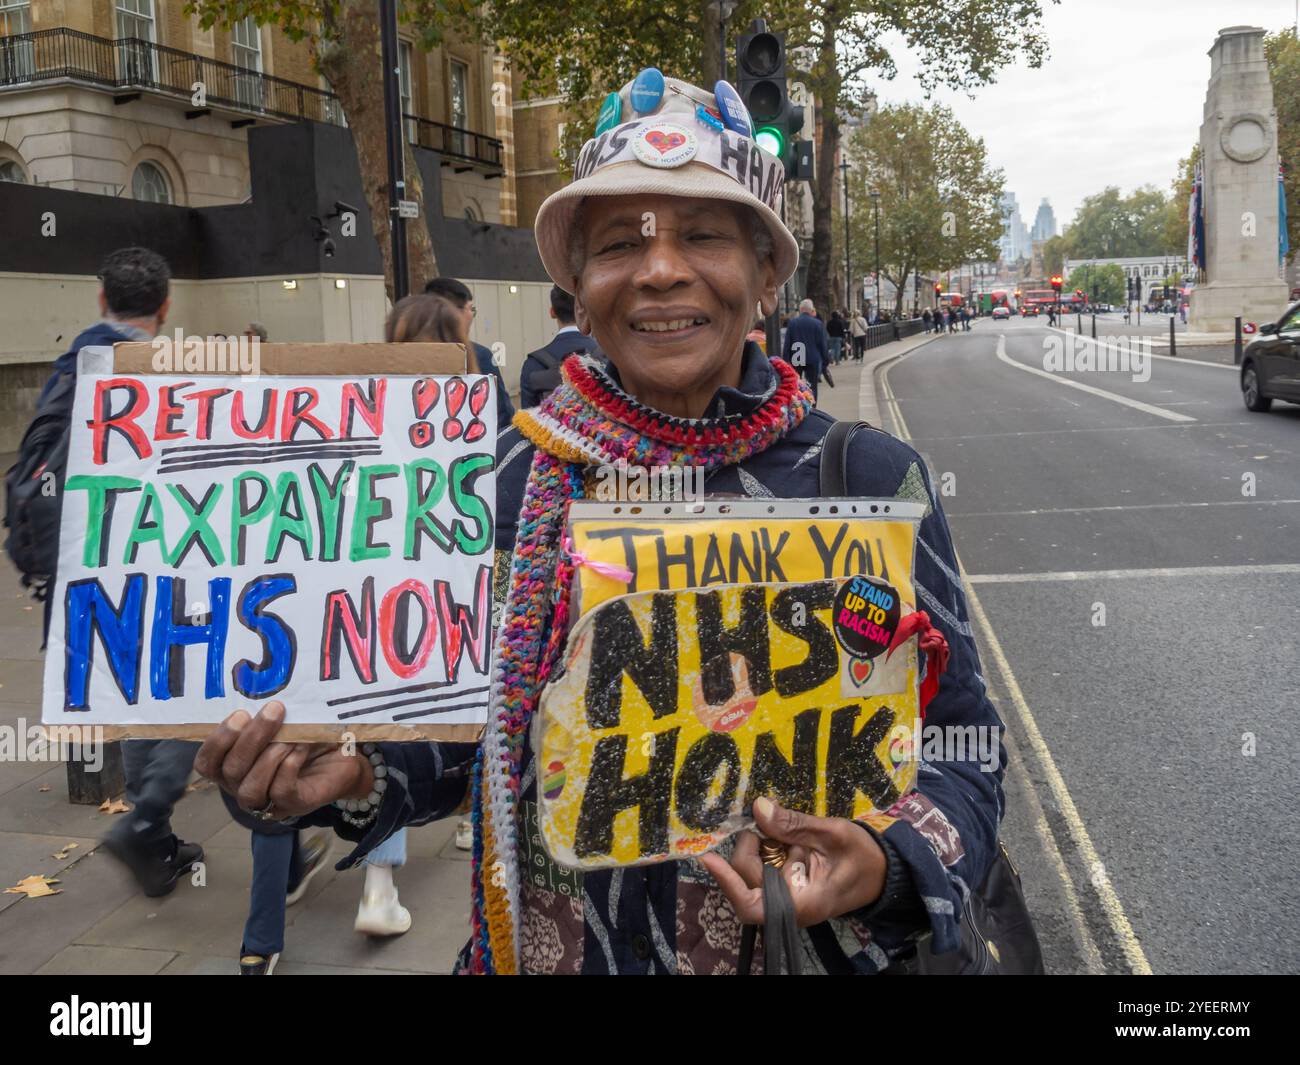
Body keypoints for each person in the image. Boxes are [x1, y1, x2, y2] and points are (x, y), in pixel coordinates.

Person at [195, 72, 1004, 976]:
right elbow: (463, 737)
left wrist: (886, 857)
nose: (660, 268)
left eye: (702, 234)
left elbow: (963, 750)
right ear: (579, 288)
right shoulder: (503, 481)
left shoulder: (871, 481)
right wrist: (352, 769)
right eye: (622, 243)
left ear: (768, 273)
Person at [422, 277, 516, 426]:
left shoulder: (408, 356)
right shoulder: (479, 355)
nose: (472, 315)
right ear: (455, 313)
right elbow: (501, 414)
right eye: (471, 309)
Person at [519, 285, 603, 408]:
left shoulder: (533, 364)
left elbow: (525, 420)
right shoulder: (609, 356)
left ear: (552, 312)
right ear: (584, 310)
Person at [783, 298, 828, 403]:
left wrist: (786, 360)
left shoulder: (793, 323)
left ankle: (798, 404)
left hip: (797, 356)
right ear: (811, 309)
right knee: (812, 384)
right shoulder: (817, 323)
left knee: (796, 383)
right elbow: (822, 344)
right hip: (812, 357)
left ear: (800, 309)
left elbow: (787, 343)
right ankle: (812, 405)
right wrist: (825, 360)